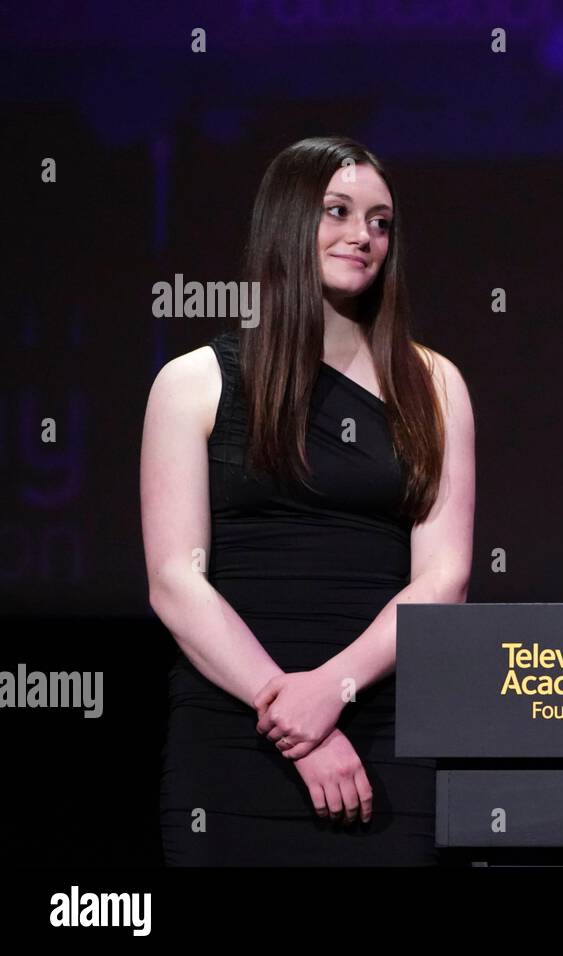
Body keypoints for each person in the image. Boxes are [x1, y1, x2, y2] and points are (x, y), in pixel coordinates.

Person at [141, 136, 475, 864]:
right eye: (339, 212)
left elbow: (442, 579)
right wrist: (291, 710)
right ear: (287, 221)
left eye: (381, 221)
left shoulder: (434, 385)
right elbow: (174, 581)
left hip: (383, 734)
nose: (364, 235)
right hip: (232, 735)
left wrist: (334, 688)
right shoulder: (192, 383)